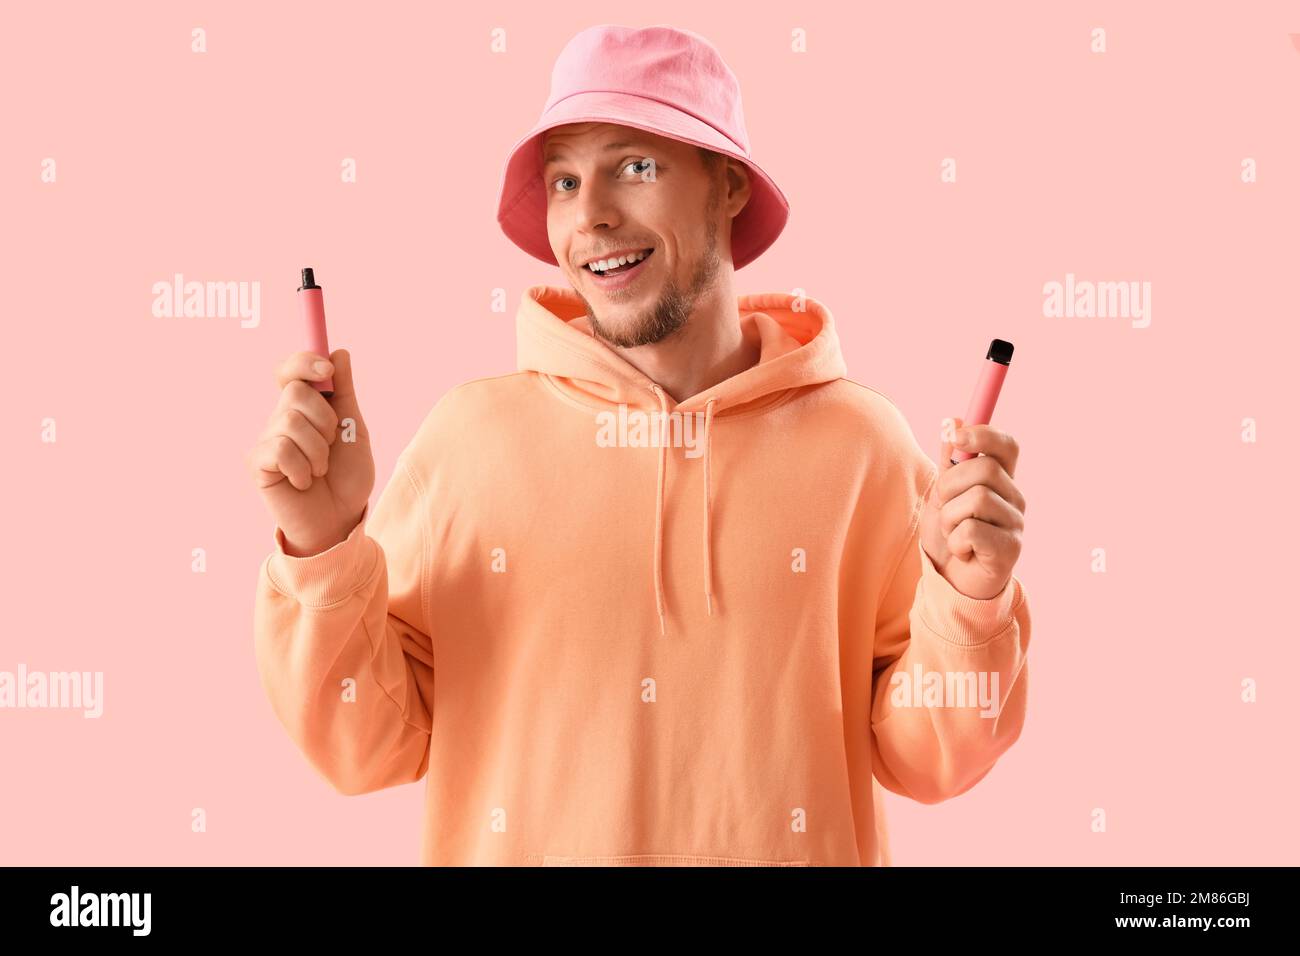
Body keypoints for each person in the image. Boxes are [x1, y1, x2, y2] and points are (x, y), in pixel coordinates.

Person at [247, 24, 1030, 867]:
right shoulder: (465, 446)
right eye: (564, 179)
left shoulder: (864, 451)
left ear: (727, 184)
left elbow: (927, 760)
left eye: (636, 166)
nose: (590, 215)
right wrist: (323, 549)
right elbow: (364, 747)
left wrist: (970, 599)